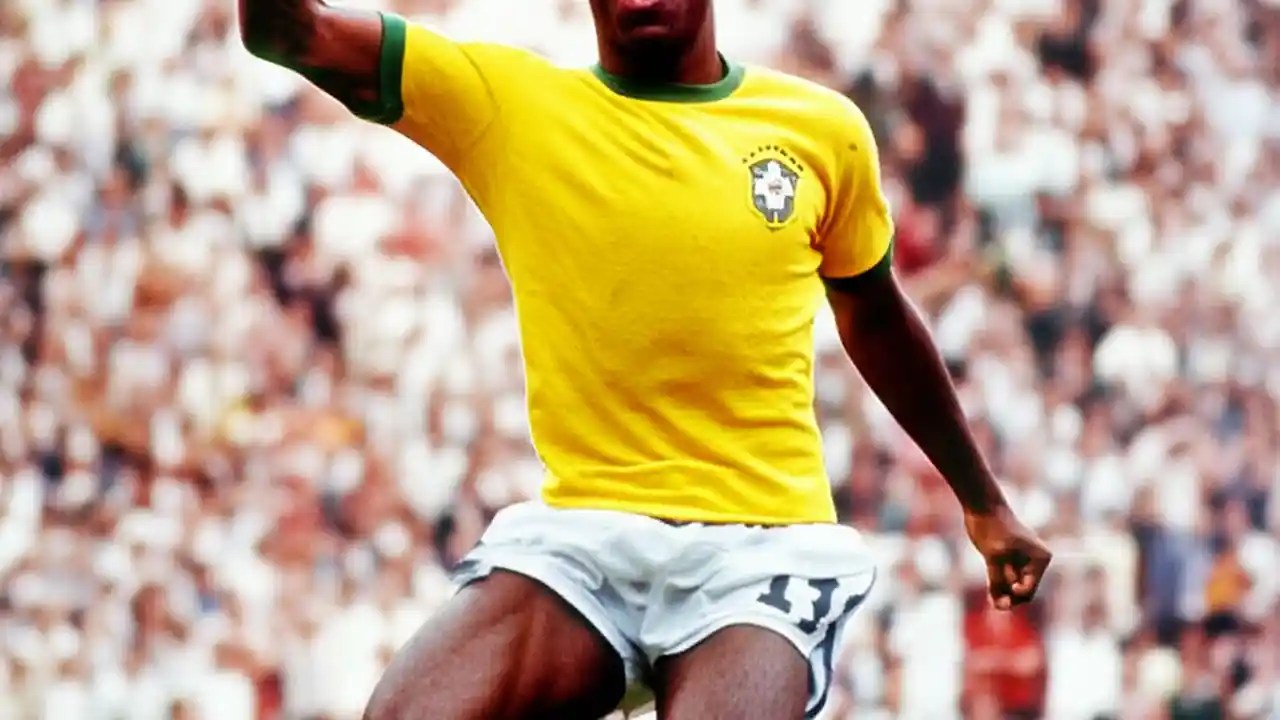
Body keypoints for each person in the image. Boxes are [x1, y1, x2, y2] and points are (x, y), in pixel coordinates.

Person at [237, 1, 1053, 718]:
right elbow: (287, 31)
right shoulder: (505, 104)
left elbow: (875, 318)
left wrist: (982, 503)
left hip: (760, 548)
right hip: (584, 542)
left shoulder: (820, 130)